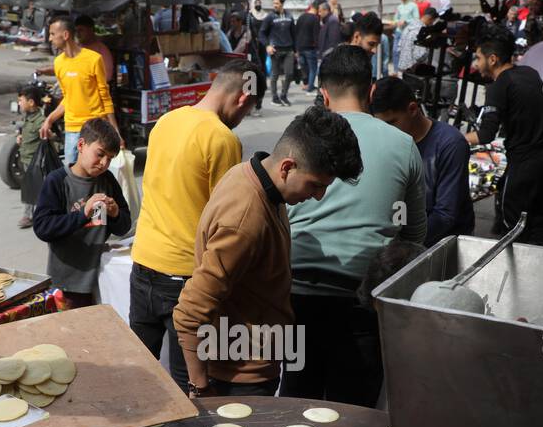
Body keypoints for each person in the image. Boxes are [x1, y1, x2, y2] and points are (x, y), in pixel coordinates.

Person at [173, 106, 362, 399]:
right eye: (315, 185)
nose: (319, 196)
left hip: (253, 361)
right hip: (239, 377)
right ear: (287, 167)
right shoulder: (246, 220)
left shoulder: (253, 175)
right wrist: (200, 388)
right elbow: (190, 312)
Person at [283, 46, 426, 408]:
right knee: (354, 417)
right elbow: (413, 235)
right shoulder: (404, 145)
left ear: (325, 94)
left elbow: (275, 212)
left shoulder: (299, 136)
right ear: (372, 90)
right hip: (362, 302)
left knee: (297, 407)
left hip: (295, 300)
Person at [129, 60, 262, 389]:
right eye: (248, 111)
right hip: (185, 280)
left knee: (138, 372)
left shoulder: (166, 121)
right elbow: (225, 220)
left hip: (142, 263)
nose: (242, 119)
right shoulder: (221, 139)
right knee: (189, 382)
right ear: (242, 98)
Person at [465, 24, 543, 244]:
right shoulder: (530, 73)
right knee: (542, 226)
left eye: (478, 58)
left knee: (513, 228)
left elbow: (486, 134)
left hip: (524, 166)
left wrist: (453, 136)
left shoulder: (498, 86)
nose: (476, 64)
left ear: (493, 59)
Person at [31, 117, 131, 310]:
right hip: (68, 283)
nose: (103, 163)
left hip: (103, 275)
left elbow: (123, 226)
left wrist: (116, 213)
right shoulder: (57, 181)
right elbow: (43, 228)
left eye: (109, 159)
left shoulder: (107, 180)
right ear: (81, 145)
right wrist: (83, 214)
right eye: (100, 154)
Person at [370, 76, 472, 245]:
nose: (384, 132)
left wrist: (403, 246)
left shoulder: (451, 144)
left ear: (412, 109)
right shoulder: (387, 141)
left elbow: (445, 215)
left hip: (441, 243)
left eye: (391, 123)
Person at [41, 17, 118, 166]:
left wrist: (115, 130)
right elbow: (67, 98)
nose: (49, 39)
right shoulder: (58, 63)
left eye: (52, 34)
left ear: (65, 35)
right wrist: (49, 119)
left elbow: (105, 96)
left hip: (94, 128)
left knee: (95, 170)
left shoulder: (94, 59)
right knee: (71, 172)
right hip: (72, 128)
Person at [15, 81, 51, 229]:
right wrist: (20, 137)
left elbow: (48, 138)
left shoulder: (40, 121)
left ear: (31, 102)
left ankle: (30, 215)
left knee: (36, 189)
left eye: (20, 100)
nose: (19, 103)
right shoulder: (28, 117)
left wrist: (50, 135)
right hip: (25, 159)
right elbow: (25, 131)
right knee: (30, 188)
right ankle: (32, 214)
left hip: (34, 162)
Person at [260, 0, 296, 105]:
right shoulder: (270, 17)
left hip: (289, 49)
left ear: (282, 4)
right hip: (275, 50)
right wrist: (267, 46)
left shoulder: (289, 16)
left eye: (277, 3)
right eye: (274, 3)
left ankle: (283, 96)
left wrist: (296, 50)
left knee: (289, 73)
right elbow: (262, 33)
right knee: (274, 75)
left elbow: (294, 33)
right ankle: (274, 98)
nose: (274, 5)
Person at [74, 14, 114, 83]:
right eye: (76, 31)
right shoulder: (75, 47)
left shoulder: (101, 49)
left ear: (90, 30)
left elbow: (107, 76)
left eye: (81, 30)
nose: (78, 34)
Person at [294, 0, 321, 93]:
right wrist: (318, 48)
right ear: (317, 8)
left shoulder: (301, 16)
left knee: (304, 67)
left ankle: (306, 84)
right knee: (313, 68)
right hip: (310, 48)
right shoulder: (315, 18)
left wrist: (296, 48)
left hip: (300, 47)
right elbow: (316, 35)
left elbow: (296, 32)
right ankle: (310, 87)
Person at [394, 0, 420, 64]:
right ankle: (396, 71)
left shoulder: (413, 6)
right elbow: (395, 18)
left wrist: (406, 21)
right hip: (399, 31)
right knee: (395, 51)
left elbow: (416, 19)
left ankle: (406, 70)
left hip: (408, 33)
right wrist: (397, 22)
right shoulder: (399, 7)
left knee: (407, 53)